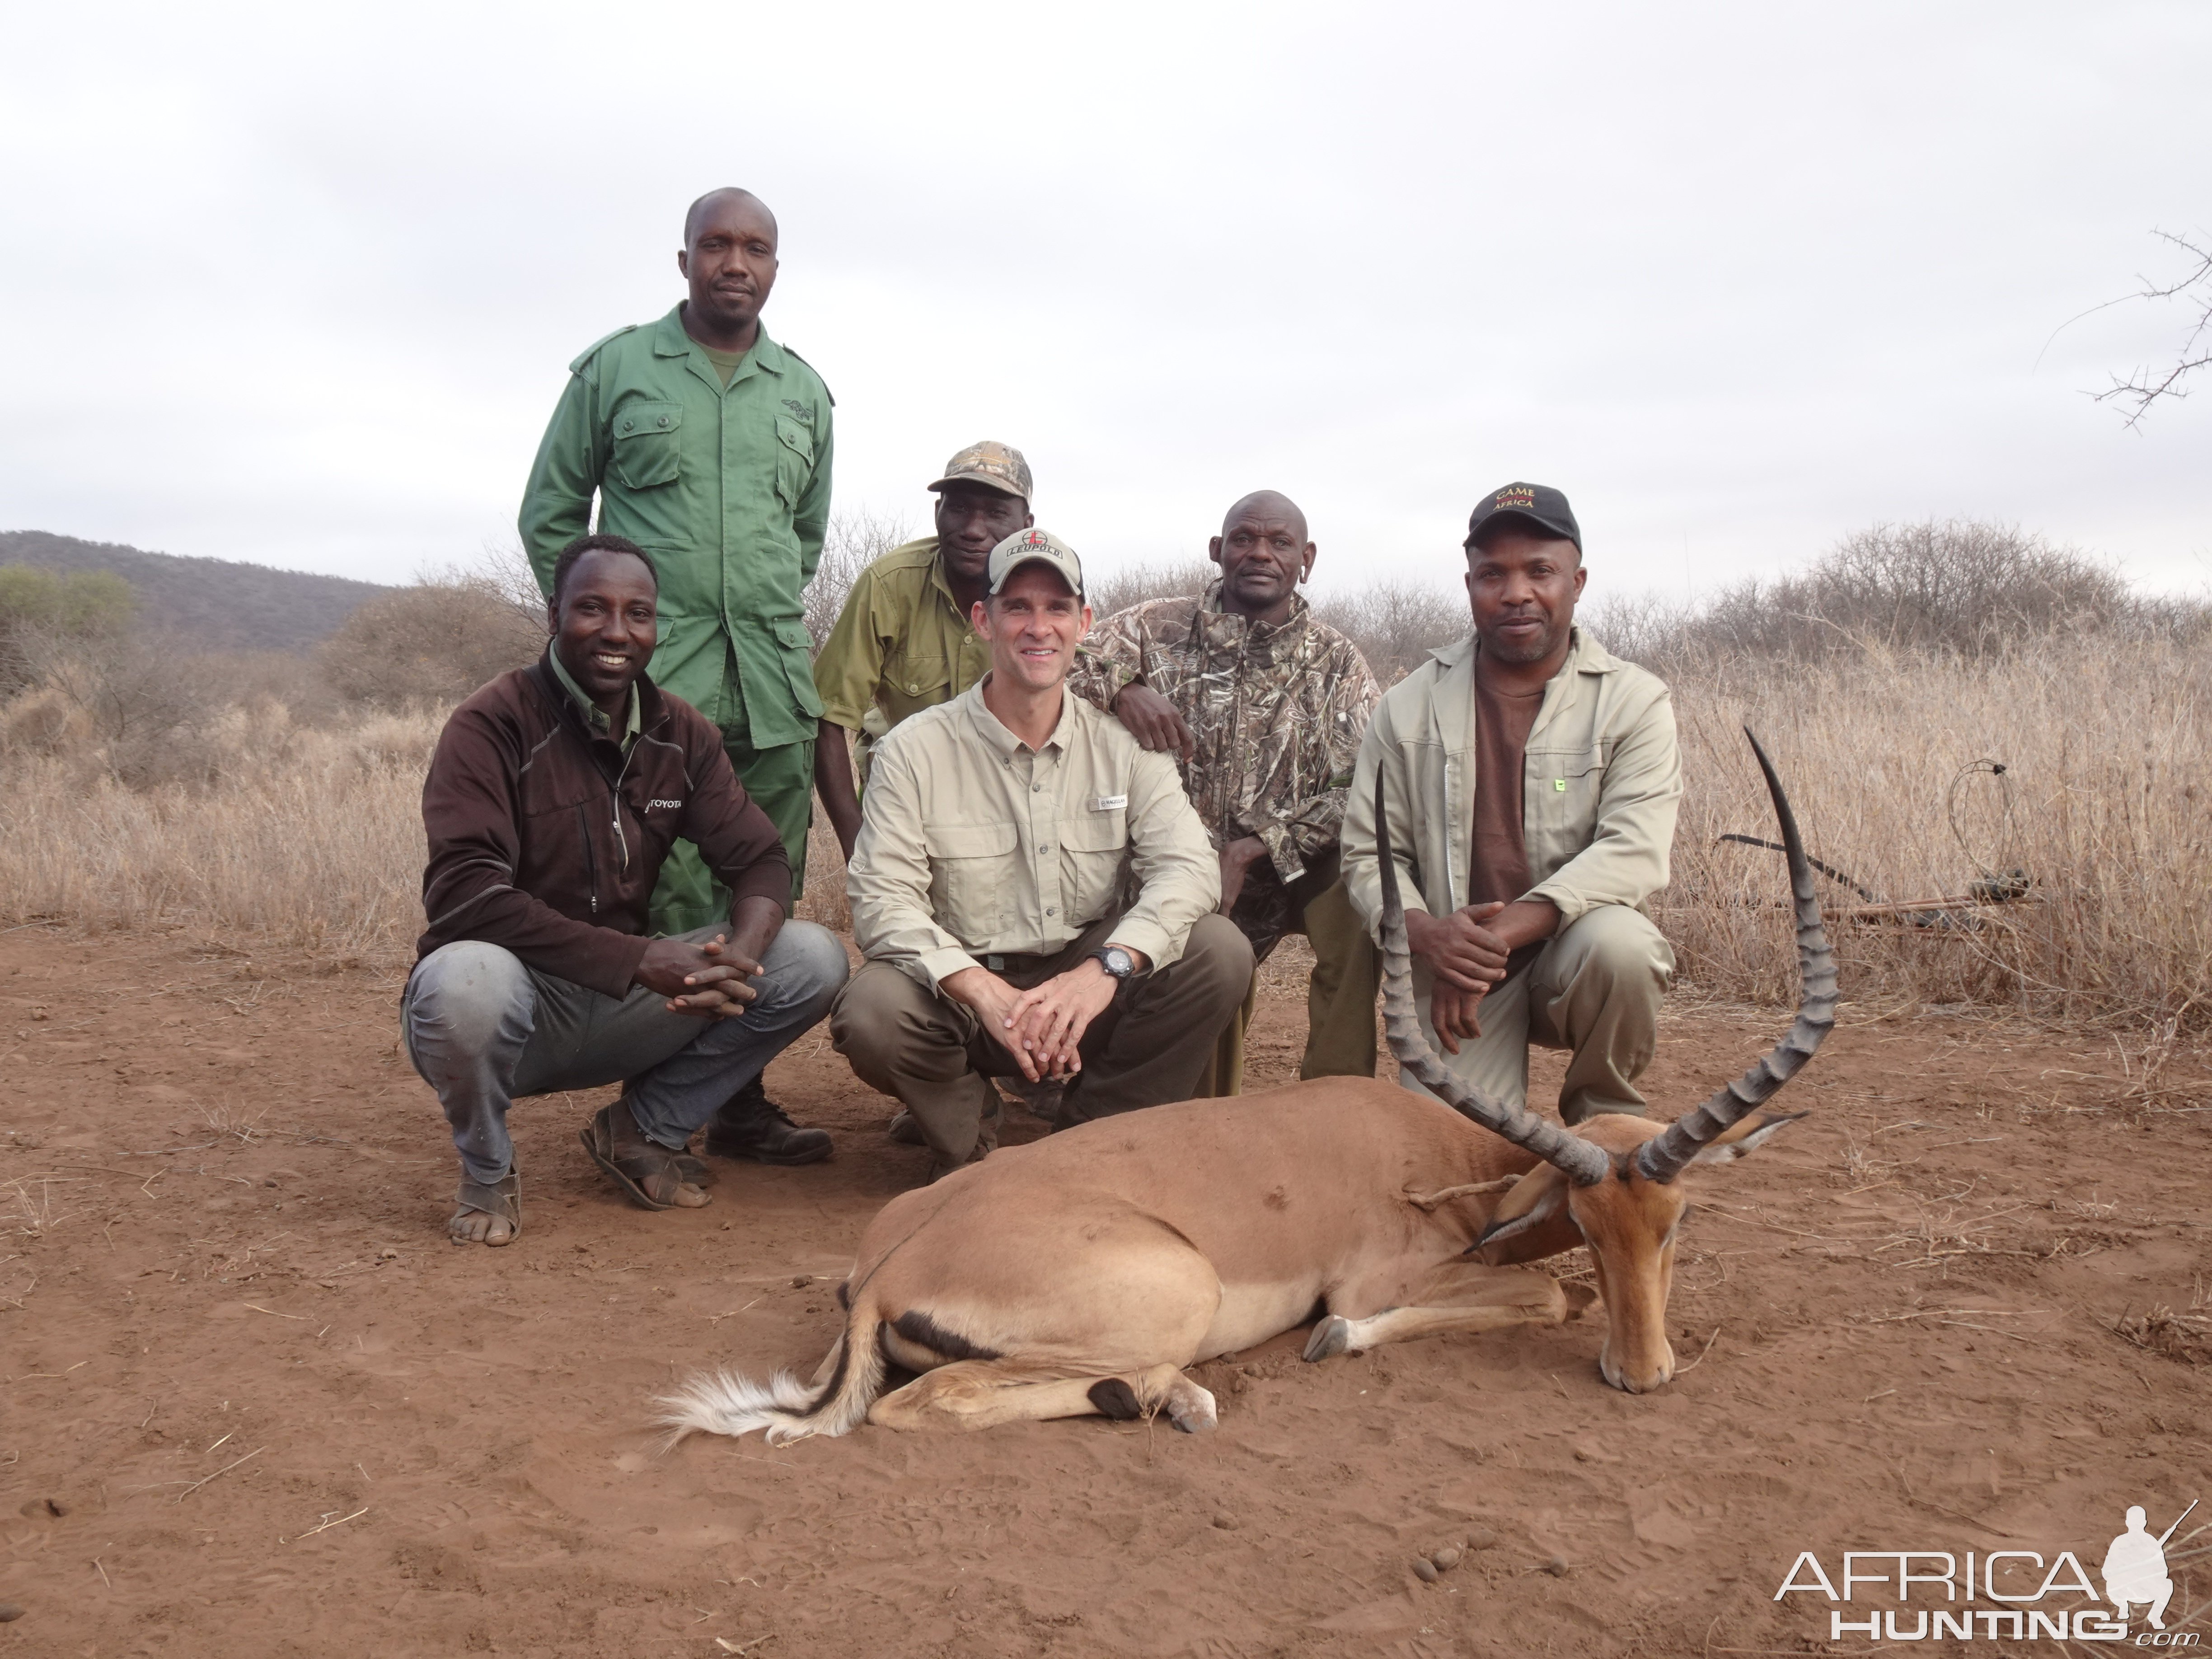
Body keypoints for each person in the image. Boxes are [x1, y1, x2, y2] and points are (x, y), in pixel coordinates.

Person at [404, 534, 848, 1247]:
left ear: (655, 626)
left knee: (812, 959)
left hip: (628, 1006)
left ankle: (644, 1130)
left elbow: (762, 857)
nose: (616, 632)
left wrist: (739, 955)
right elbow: (464, 895)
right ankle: (487, 1170)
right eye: (592, 608)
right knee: (464, 979)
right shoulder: (492, 724)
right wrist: (638, 960)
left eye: (638, 614)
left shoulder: (680, 733)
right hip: (520, 1005)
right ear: (553, 614)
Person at [831, 528, 1253, 1180]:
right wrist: (979, 990)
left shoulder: (1125, 748)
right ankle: (967, 1131)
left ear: (1083, 623)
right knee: (873, 1010)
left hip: (1082, 991)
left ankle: (1094, 1139)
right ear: (983, 620)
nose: (1039, 628)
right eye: (1018, 607)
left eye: (1057, 609)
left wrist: (1104, 971)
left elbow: (1190, 869)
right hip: (967, 1001)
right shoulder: (912, 752)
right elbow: (883, 900)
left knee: (1218, 950)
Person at [518, 187, 831, 932]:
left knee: (766, 878)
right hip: (650, 683)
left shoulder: (805, 393)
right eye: (716, 246)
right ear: (685, 259)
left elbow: (804, 541)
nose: (734, 263)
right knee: (651, 880)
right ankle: (646, 1043)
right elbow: (551, 513)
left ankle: (737, 1048)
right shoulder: (616, 368)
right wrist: (593, 632)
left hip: (772, 688)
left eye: (754, 250)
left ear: (775, 268)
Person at [1340, 483, 1682, 1125]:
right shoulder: (1408, 704)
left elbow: (1633, 853)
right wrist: (1431, 936)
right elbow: (1366, 855)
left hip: (1565, 958)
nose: (1517, 592)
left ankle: (1606, 1122)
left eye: (1540, 571)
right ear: (1469, 585)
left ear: (1577, 582)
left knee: (1625, 948)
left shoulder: (1635, 701)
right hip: (1455, 972)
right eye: (1493, 574)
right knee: (1453, 1157)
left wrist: (1492, 937)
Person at [1072, 490, 1382, 1092]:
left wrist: (1258, 846)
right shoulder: (1154, 628)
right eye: (1244, 539)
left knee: (1359, 892)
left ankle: (1337, 1098)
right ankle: (1204, 1108)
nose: (1259, 553)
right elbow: (1058, 653)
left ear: (1306, 558)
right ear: (1219, 551)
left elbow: (1366, 787)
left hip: (1288, 861)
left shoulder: (1337, 662)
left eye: (1279, 542)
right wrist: (1122, 688)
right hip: (1178, 866)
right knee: (1205, 952)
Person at [811, 441, 1036, 861]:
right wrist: (859, 847)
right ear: (937, 514)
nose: (972, 529)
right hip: (907, 797)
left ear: (1027, 524)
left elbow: (1089, 671)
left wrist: (1125, 688)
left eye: (995, 512)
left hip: (1014, 800)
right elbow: (827, 717)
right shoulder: (889, 584)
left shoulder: (1048, 586)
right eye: (959, 508)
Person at [2102, 1505, 2177, 1630]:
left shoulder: (2151, 1543)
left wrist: (2146, 1571)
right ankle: (2123, 1607)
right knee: (2112, 1582)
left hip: (2145, 1589)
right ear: (2128, 1523)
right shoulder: (2120, 1542)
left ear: (2144, 1523)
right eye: (2134, 1523)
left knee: (2168, 1584)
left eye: (2138, 1523)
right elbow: (2107, 1571)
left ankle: (2155, 1616)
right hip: (2124, 1589)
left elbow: (2163, 1572)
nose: (2136, 1525)